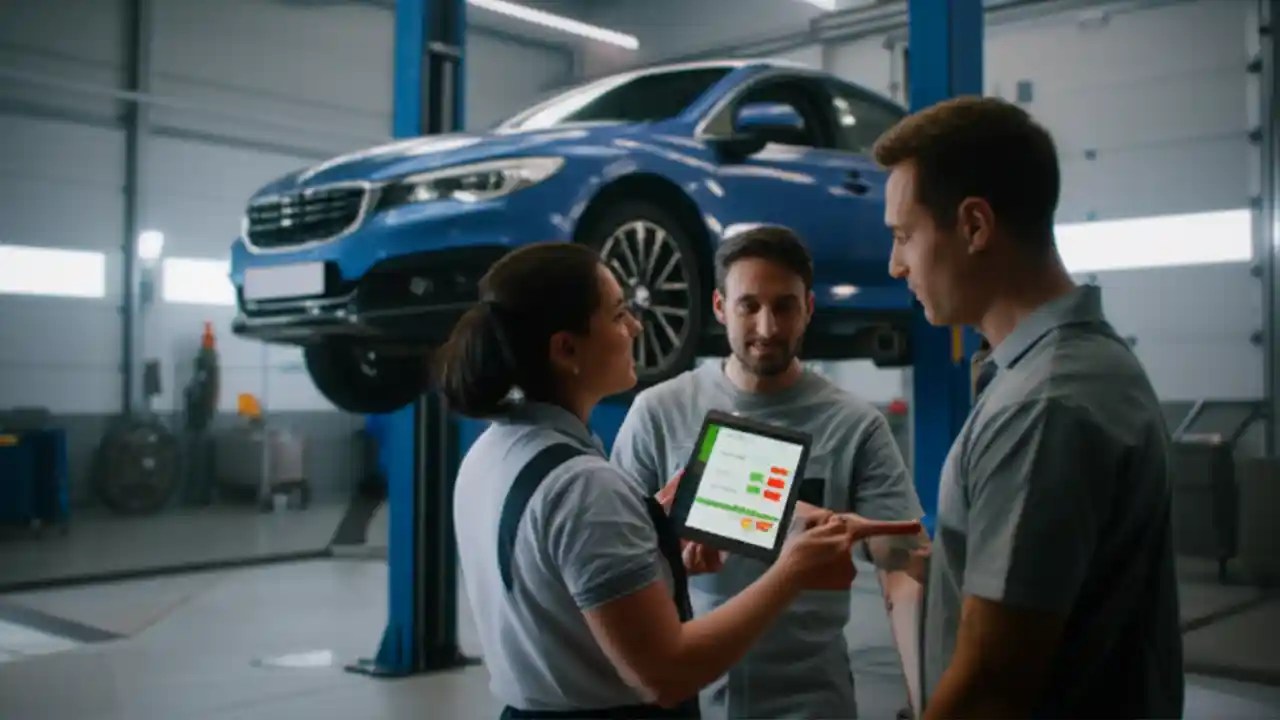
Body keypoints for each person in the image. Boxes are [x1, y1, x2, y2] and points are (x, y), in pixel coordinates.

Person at [440, 241, 917, 718]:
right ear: (567, 348)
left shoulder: (490, 452)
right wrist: (793, 568)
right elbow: (666, 674)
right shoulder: (588, 484)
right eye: (619, 314)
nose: (636, 326)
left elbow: (571, 587)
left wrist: (657, 548)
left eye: (784, 306)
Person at [873, 96, 1184, 719]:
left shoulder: (1043, 408)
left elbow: (992, 690)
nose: (896, 262)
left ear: (975, 226)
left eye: (906, 235)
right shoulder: (1078, 368)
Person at [612, 226, 932, 720]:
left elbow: (901, 571)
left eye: (784, 306)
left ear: (808, 309)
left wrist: (926, 699)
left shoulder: (854, 426)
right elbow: (613, 568)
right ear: (720, 307)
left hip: (814, 704)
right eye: (749, 306)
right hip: (689, 699)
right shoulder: (658, 414)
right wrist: (670, 560)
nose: (767, 327)